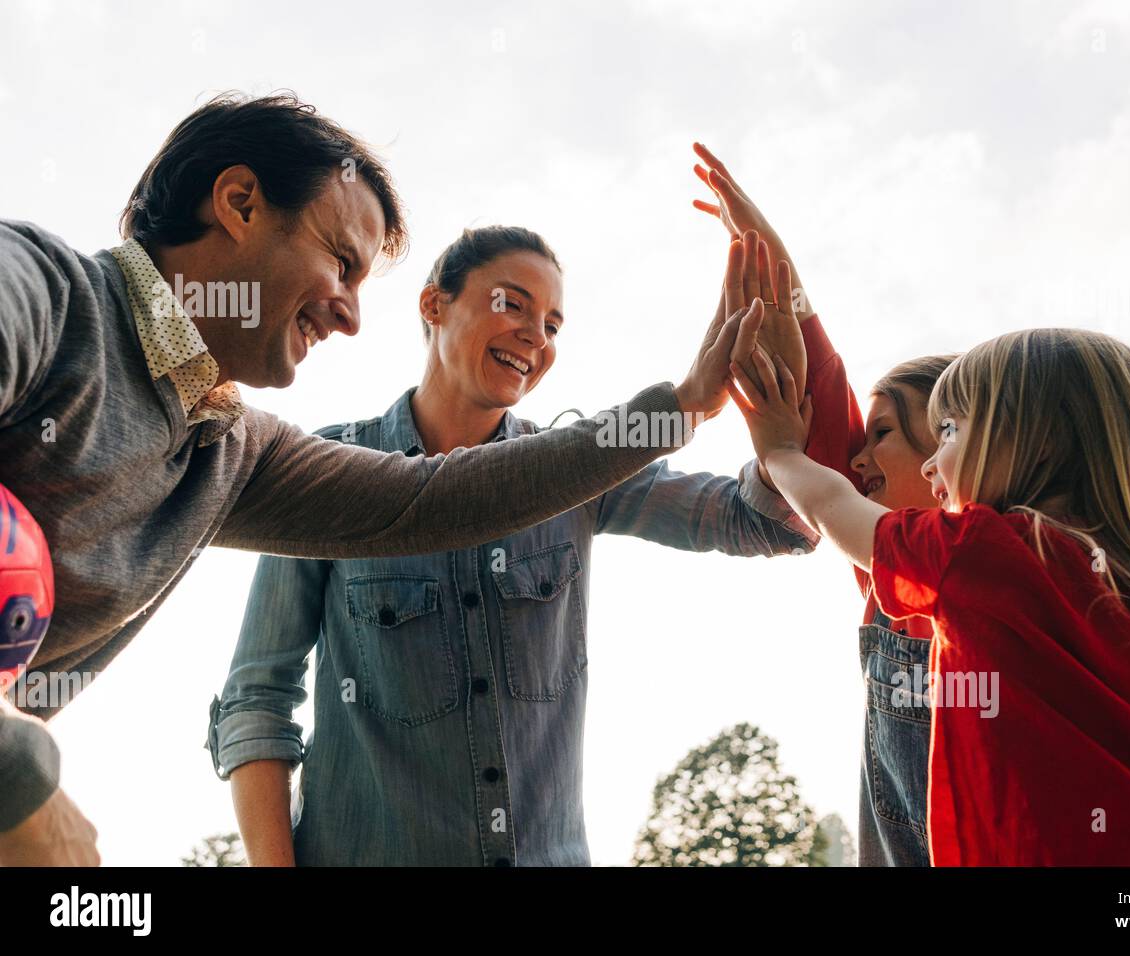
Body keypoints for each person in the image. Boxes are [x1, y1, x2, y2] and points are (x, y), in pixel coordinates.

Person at [0, 95, 761, 865]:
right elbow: (256, 697)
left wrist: (685, 407)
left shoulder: (230, 453)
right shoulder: (44, 295)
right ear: (238, 204)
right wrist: (20, 775)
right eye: (340, 261)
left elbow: (428, 499)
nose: (351, 316)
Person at [209, 224, 817, 865]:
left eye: (554, 324)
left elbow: (758, 523)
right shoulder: (326, 469)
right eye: (512, 303)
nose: (537, 335)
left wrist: (780, 432)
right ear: (433, 305)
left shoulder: (580, 474)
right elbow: (257, 696)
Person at [728, 324, 1130, 863]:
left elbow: (836, 508)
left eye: (949, 430)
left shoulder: (988, 552)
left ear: (1039, 441)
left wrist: (780, 454)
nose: (932, 462)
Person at [691, 144, 954, 864]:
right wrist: (774, 264)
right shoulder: (889, 579)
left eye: (885, 435)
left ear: (950, 455)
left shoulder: (988, 569)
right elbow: (819, 392)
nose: (858, 457)